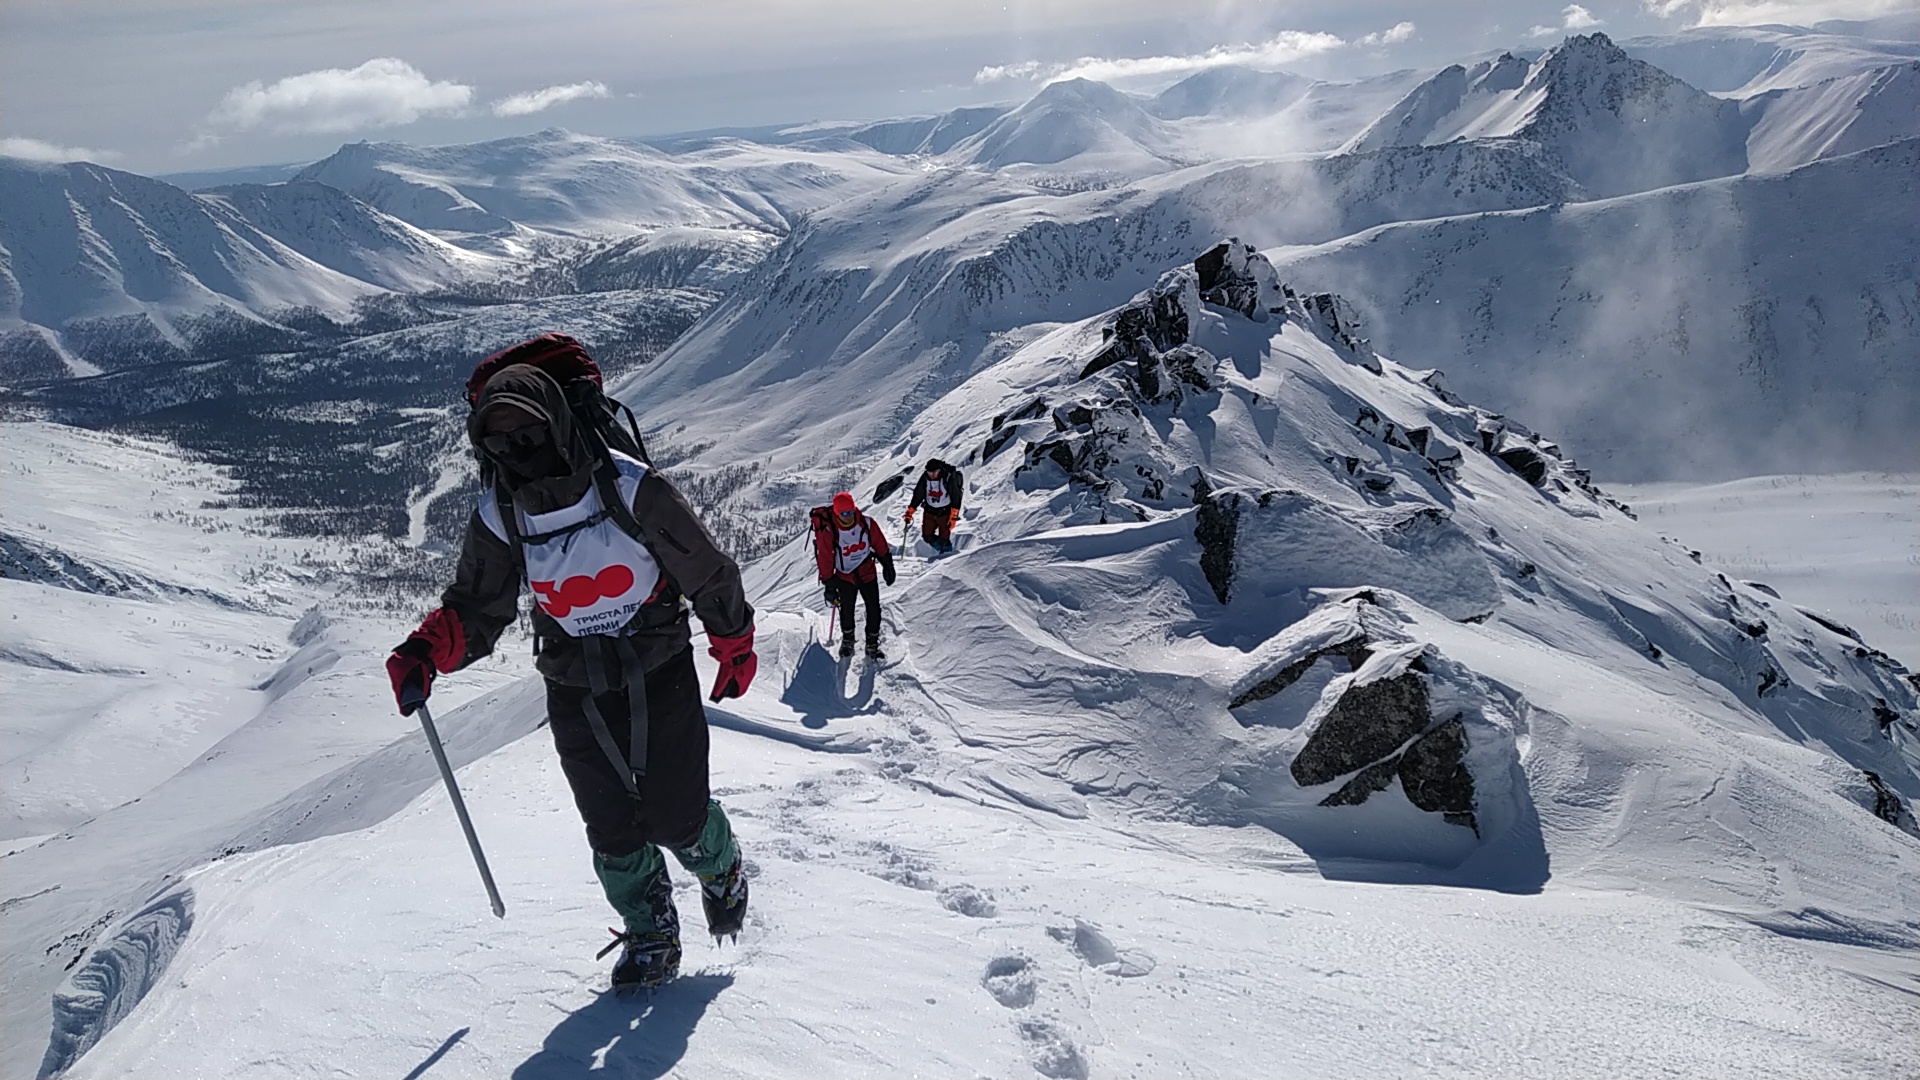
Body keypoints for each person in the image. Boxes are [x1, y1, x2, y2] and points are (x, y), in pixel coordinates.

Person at [385, 363, 757, 991]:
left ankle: (720, 867)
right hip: (574, 683)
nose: (515, 453)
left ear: (555, 424)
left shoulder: (628, 487)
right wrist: (426, 651)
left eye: (525, 436)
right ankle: (650, 931)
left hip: (657, 666)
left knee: (676, 813)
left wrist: (733, 641)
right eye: (498, 443)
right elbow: (478, 604)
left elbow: (704, 568)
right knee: (611, 823)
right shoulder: (503, 511)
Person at [812, 491, 895, 659]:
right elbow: (826, 557)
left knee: (874, 608)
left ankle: (872, 643)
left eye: (850, 512)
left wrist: (888, 565)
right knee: (846, 610)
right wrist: (829, 583)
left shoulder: (867, 524)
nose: (848, 516)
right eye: (843, 513)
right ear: (836, 513)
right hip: (845, 576)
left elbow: (880, 544)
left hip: (867, 573)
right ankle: (848, 640)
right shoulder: (831, 531)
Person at [904, 458, 964, 554]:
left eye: (934, 473)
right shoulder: (925, 478)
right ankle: (943, 551)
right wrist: (910, 511)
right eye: (929, 473)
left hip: (945, 513)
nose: (932, 475)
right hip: (929, 511)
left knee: (944, 539)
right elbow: (918, 494)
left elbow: (955, 496)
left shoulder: (948, 477)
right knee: (927, 536)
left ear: (939, 470)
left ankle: (948, 556)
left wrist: (953, 516)